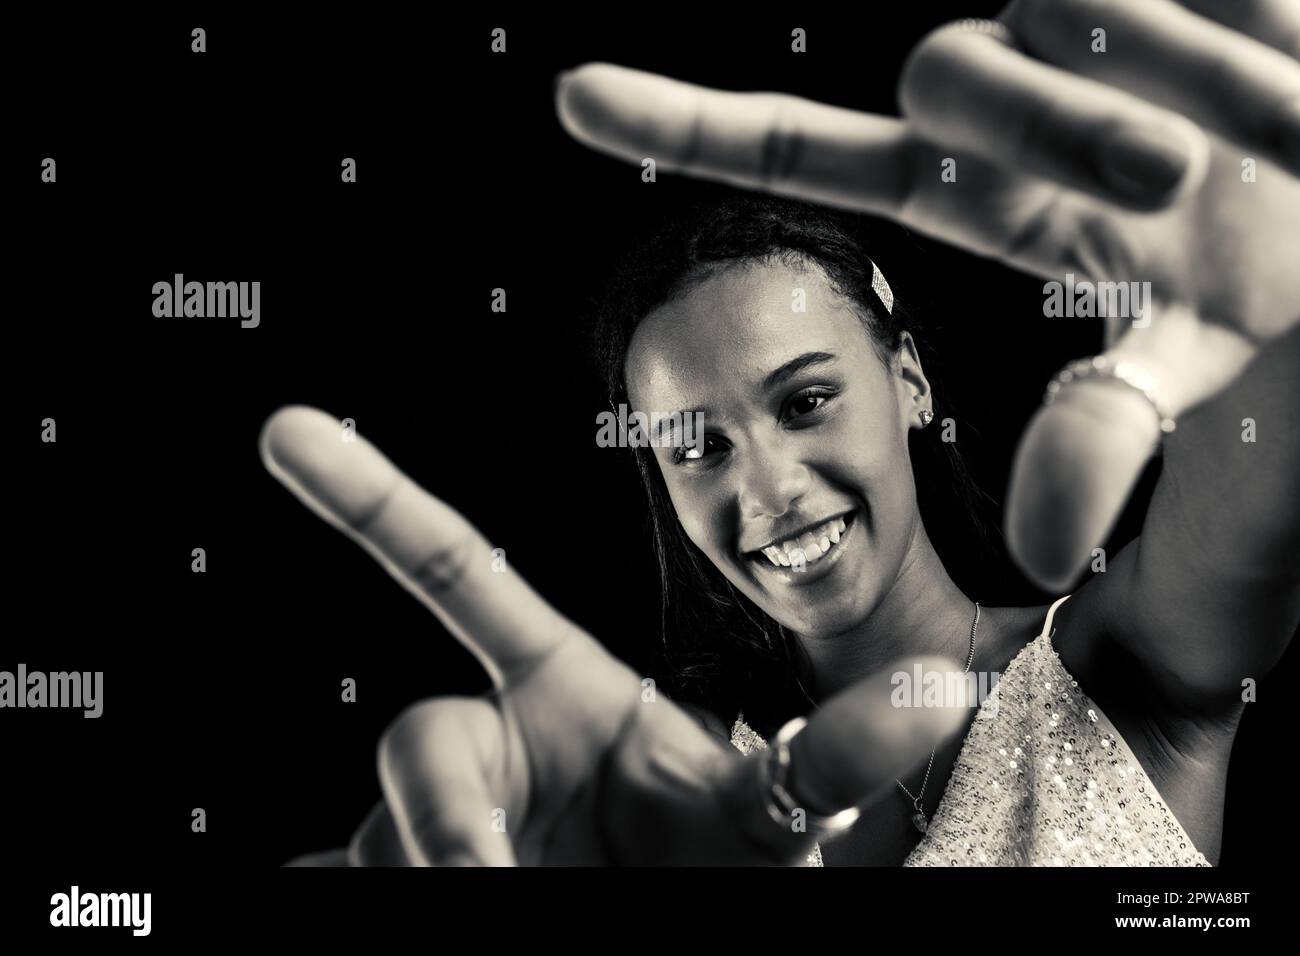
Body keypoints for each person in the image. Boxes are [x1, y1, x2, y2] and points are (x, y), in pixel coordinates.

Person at [271, 0, 1300, 865]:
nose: (764, 489)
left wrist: (1270, 287)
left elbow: (1258, 483)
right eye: (697, 446)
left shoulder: (1124, 665)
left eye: (805, 401)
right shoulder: (675, 787)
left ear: (907, 382)